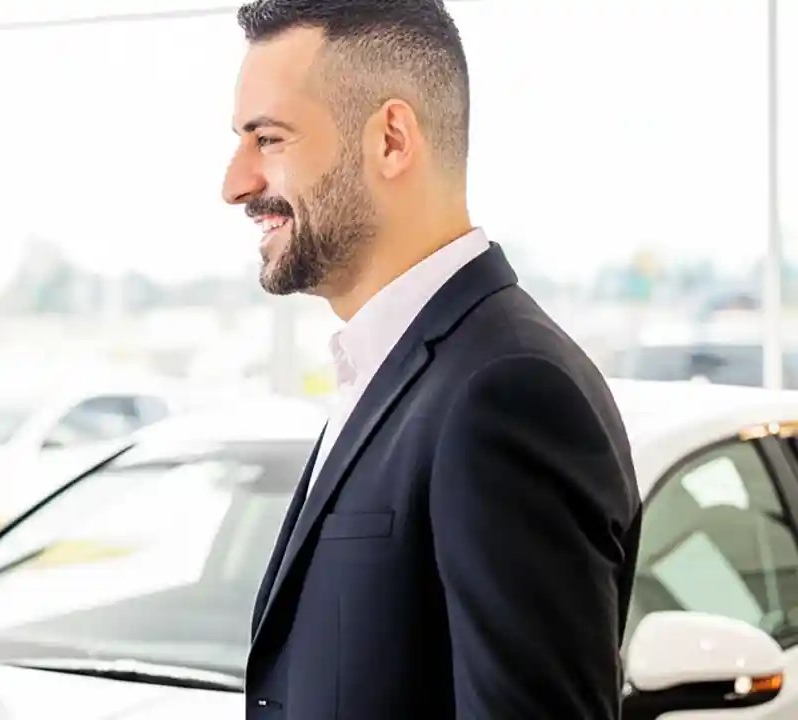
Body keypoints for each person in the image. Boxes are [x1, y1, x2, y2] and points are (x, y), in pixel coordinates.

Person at [221, 1, 643, 717]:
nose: (234, 182)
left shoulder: (508, 392)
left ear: (390, 139)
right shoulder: (388, 367)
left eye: (268, 139)